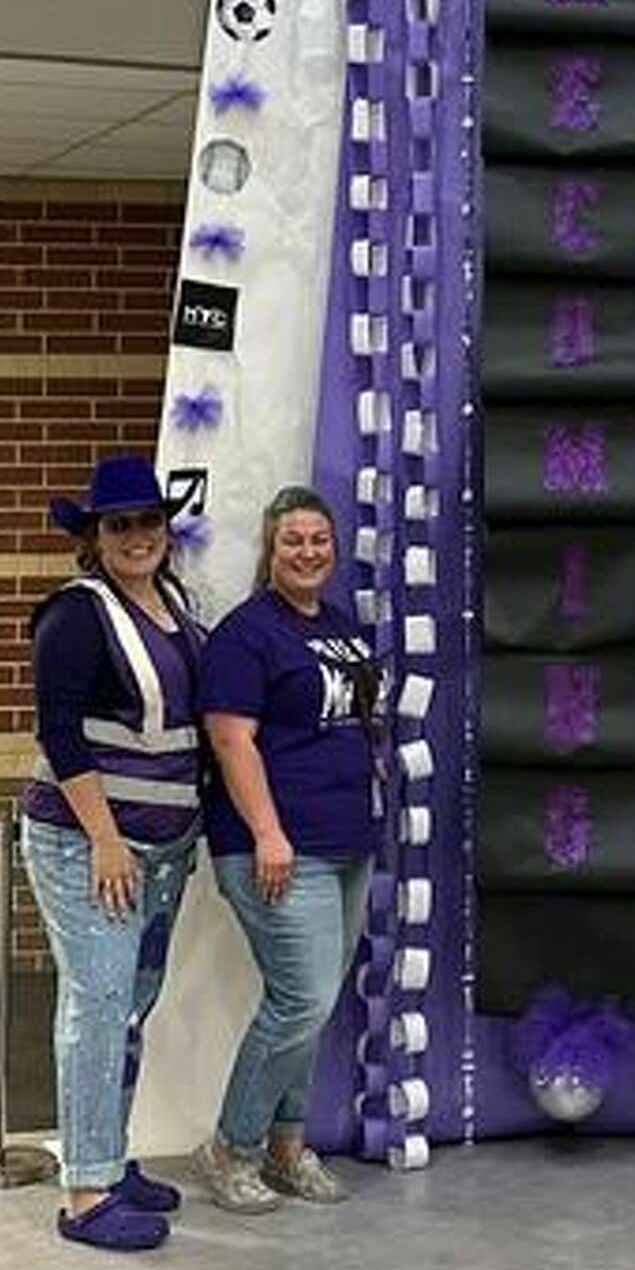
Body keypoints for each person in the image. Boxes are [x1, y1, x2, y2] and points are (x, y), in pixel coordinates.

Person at [21, 452, 206, 1253]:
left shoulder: (175, 602)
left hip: (163, 849)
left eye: (149, 521)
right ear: (94, 537)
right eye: (120, 523)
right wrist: (102, 837)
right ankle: (85, 1191)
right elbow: (59, 732)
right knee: (95, 1008)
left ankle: (110, 1153)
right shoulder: (74, 614)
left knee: (128, 1007)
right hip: (90, 844)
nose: (137, 535)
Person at [196, 485, 379, 1211]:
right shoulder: (246, 633)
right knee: (300, 999)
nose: (308, 551)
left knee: (316, 1002)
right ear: (271, 550)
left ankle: (286, 1147)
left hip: (346, 842)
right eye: (293, 539)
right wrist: (270, 831)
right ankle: (230, 1146)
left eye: (319, 539)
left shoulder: (341, 625)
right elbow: (231, 738)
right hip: (275, 846)